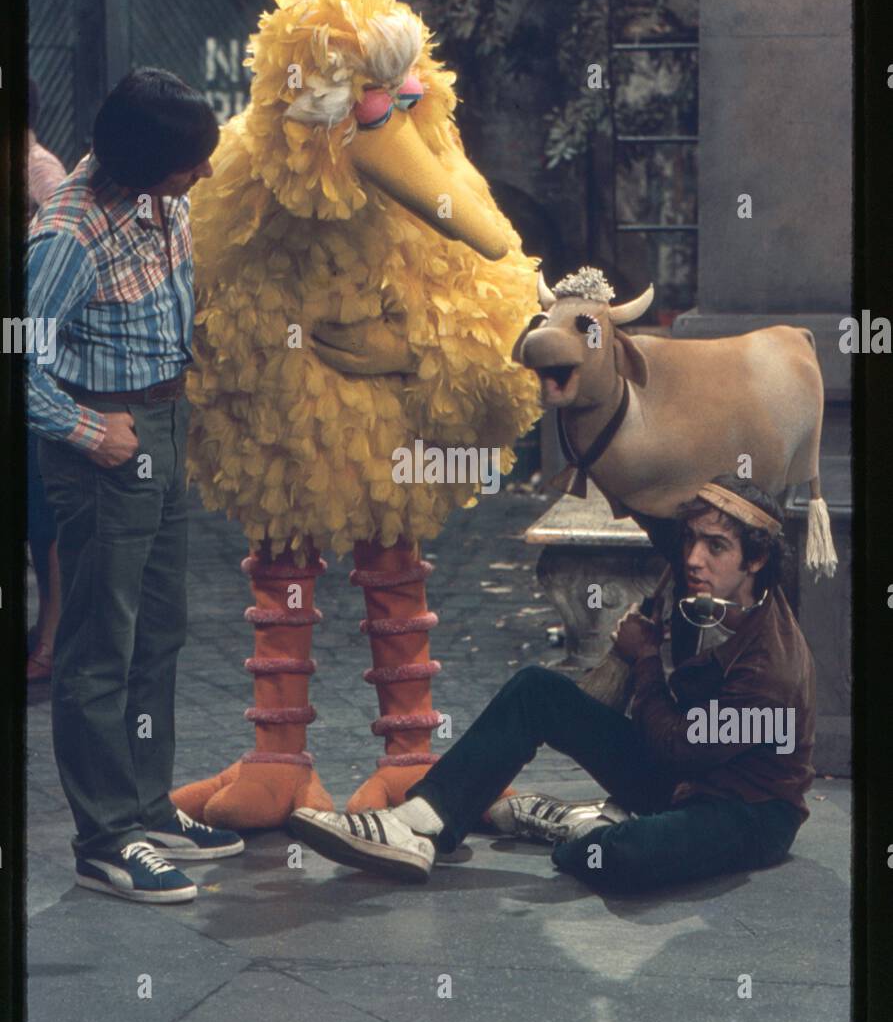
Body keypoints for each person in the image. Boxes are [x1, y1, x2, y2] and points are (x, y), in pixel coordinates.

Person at [288, 473, 815, 895]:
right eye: (692, 540)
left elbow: (678, 750)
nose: (694, 558)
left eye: (716, 546)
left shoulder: (772, 667)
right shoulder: (701, 582)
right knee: (536, 690)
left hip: (741, 809)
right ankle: (419, 823)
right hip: (676, 773)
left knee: (615, 855)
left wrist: (645, 657)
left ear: (757, 558)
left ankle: (575, 826)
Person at [27, 67, 244, 904]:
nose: (207, 175)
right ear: (146, 162)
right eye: (193, 163)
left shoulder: (159, 197)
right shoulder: (67, 234)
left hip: (162, 424)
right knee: (97, 649)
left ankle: (148, 806)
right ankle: (105, 838)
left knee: (160, 627)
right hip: (104, 444)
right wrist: (91, 432)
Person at [26, 77, 67, 681]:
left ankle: (52, 640)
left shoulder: (39, 171)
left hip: (33, 356)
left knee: (43, 515)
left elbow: (56, 272)